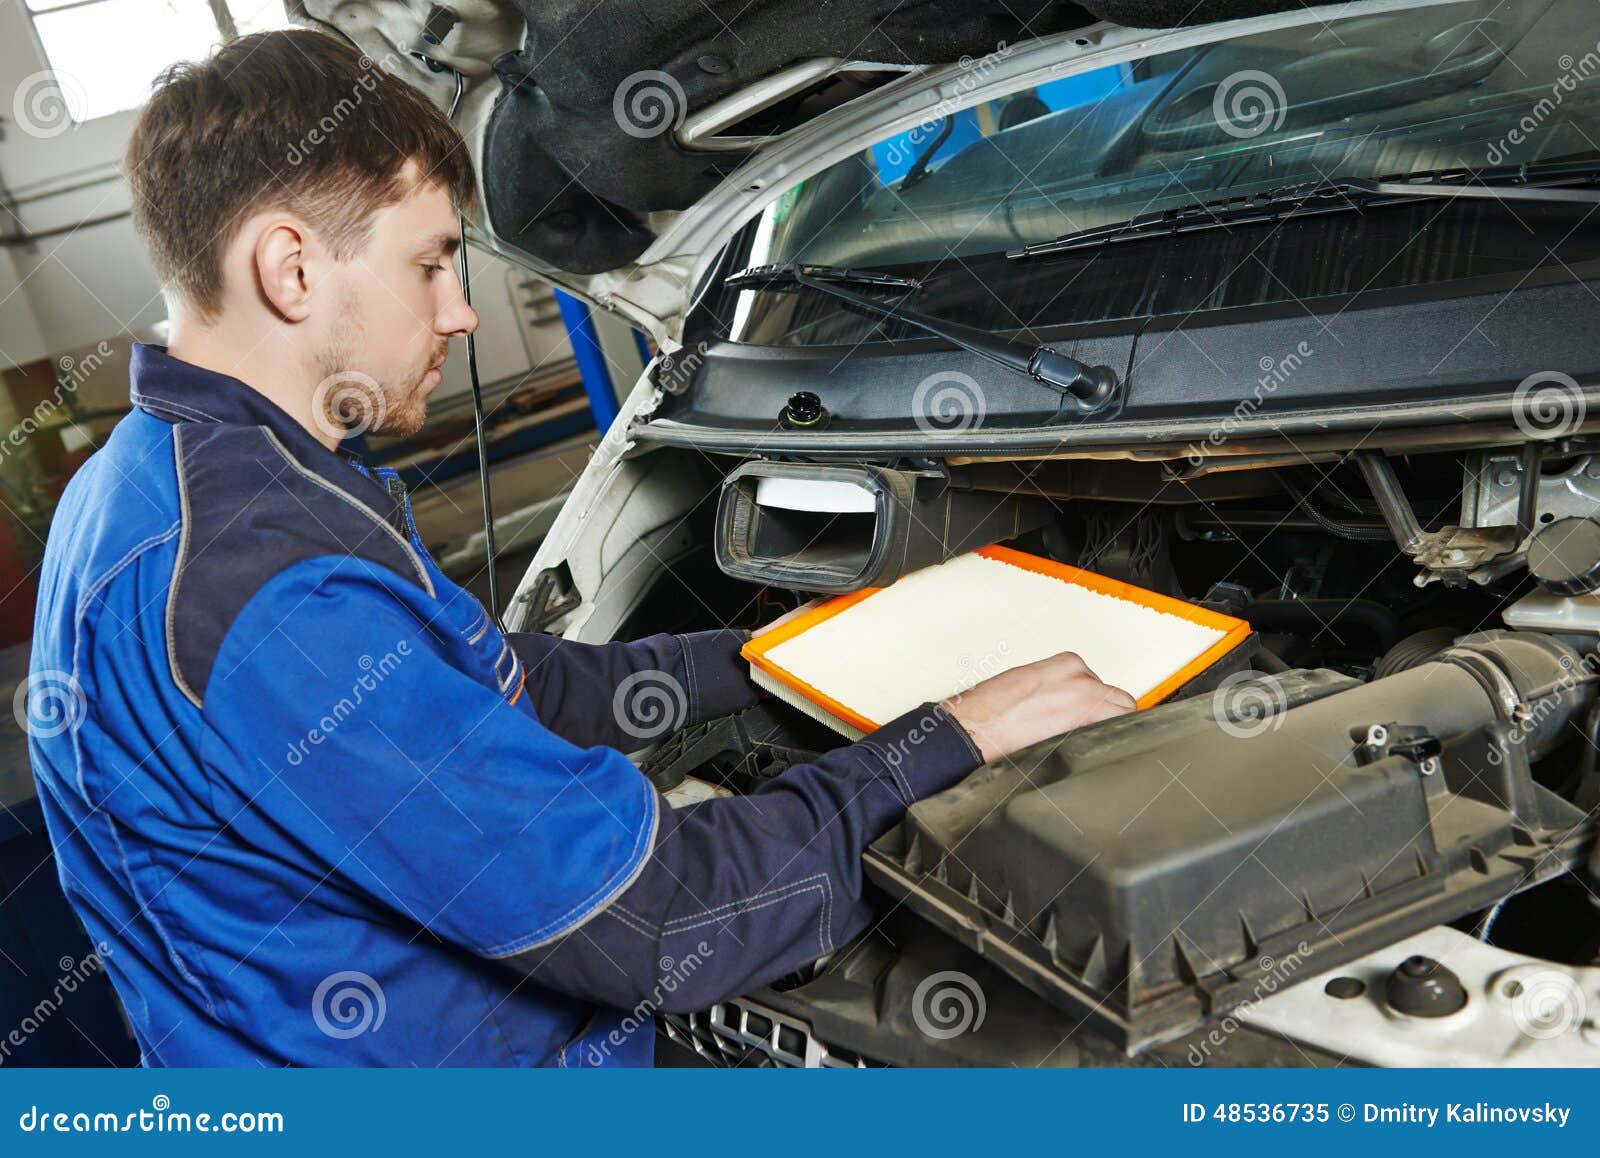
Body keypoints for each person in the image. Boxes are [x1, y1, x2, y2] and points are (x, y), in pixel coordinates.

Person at [27, 29, 1135, 1067]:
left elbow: (504, 684)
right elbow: (661, 923)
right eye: (429, 264)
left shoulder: (158, 482)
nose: (461, 313)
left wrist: (781, 658)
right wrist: (945, 740)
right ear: (292, 269)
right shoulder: (267, 586)